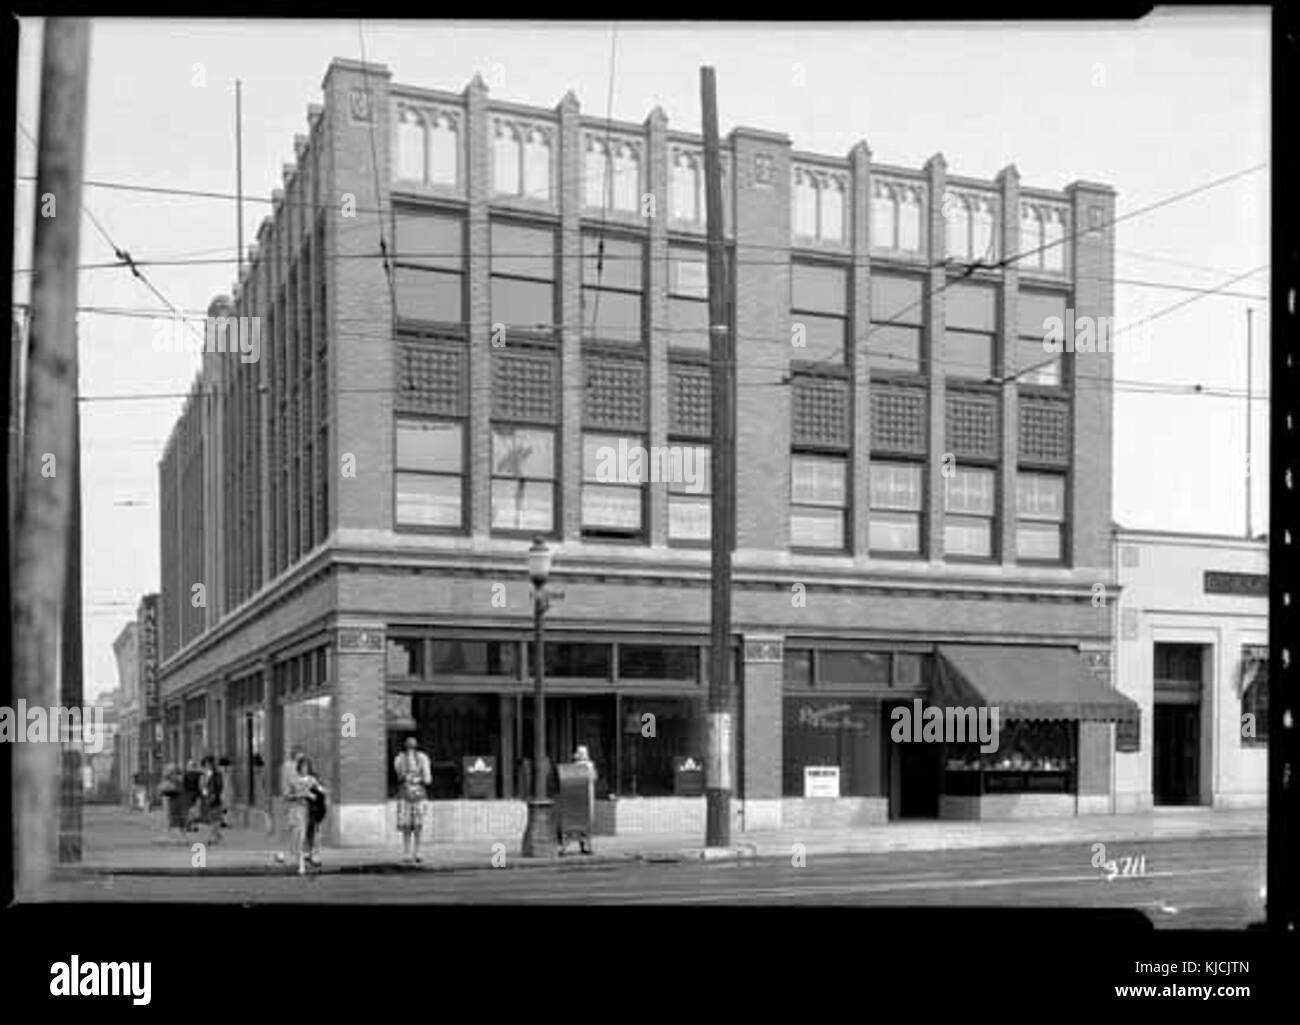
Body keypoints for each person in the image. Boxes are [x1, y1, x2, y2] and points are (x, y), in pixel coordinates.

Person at [284, 755, 326, 875]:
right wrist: (302, 795)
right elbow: (286, 796)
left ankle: (312, 855)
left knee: (314, 834)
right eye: (303, 766)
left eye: (307, 766)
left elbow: (320, 793)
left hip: (312, 812)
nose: (305, 769)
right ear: (299, 768)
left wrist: (319, 792)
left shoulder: (313, 780)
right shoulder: (293, 781)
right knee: (300, 836)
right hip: (299, 811)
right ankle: (301, 863)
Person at [393, 737, 432, 863]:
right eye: (408, 747)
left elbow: (427, 779)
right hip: (405, 795)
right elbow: (399, 776)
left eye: (412, 747)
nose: (410, 750)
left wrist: (419, 778)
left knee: (418, 826)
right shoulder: (400, 759)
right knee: (406, 827)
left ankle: (418, 852)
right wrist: (406, 776)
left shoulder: (422, 758)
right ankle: (407, 852)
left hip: (419, 795)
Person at [275, 747, 304, 863]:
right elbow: (290, 784)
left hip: (295, 801)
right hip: (292, 801)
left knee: (294, 828)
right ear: (296, 756)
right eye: (300, 757)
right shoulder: (290, 767)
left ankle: (289, 852)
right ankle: (285, 852)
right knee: (290, 827)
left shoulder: (290, 767)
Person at [199, 755, 225, 844]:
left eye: (208, 763)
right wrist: (204, 792)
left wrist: (214, 794)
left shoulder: (217, 774)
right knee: (211, 818)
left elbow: (219, 786)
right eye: (205, 764)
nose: (207, 765)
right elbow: (202, 786)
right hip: (207, 798)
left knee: (215, 817)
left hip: (214, 797)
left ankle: (212, 837)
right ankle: (217, 835)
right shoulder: (204, 774)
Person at [182, 759, 203, 832]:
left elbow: (184, 786)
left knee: (190, 810)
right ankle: (194, 826)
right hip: (196, 793)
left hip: (188, 794)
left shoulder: (186, 775)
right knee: (195, 810)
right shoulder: (198, 774)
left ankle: (189, 824)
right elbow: (200, 784)